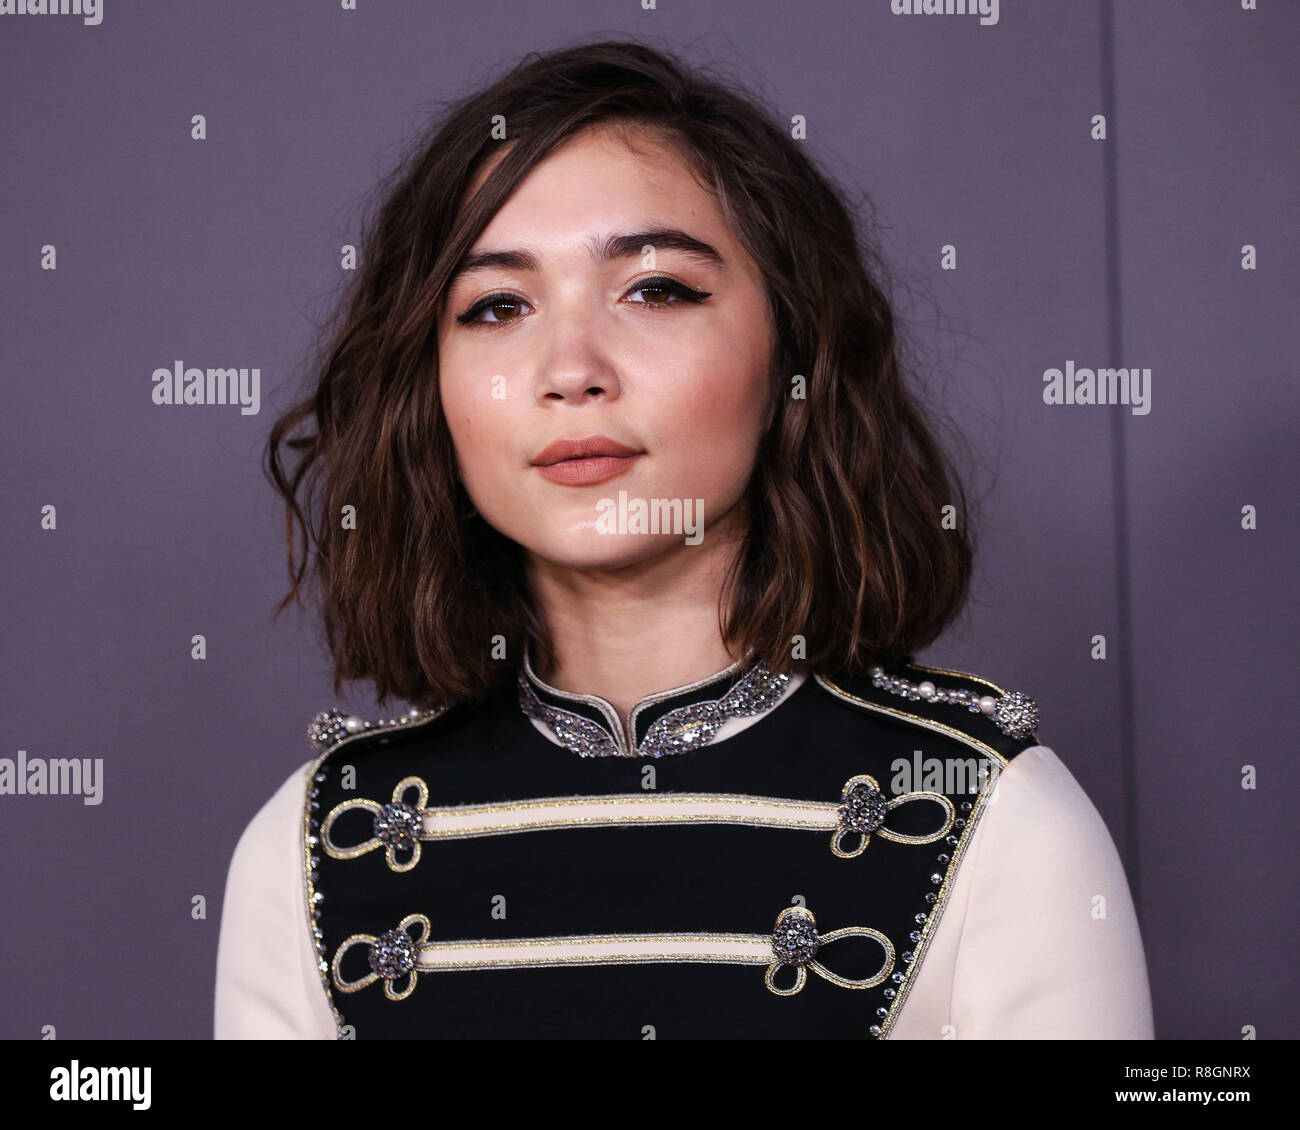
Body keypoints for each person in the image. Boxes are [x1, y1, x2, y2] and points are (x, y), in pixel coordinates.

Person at [213, 39, 1153, 1040]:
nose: (570, 369)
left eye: (655, 289)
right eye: (497, 305)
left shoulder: (994, 817)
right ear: (429, 394)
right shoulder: (317, 842)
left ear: (792, 353)